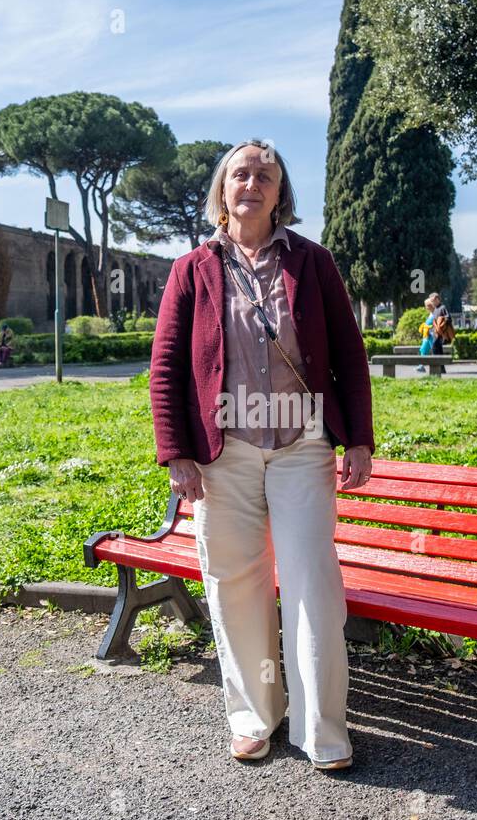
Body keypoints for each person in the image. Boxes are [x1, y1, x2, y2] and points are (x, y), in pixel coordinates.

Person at [150, 139, 374, 770]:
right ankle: (253, 716)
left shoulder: (313, 261)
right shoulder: (192, 269)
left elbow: (350, 357)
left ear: (281, 194)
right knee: (235, 586)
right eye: (239, 174)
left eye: (265, 175)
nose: (251, 183)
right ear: (222, 190)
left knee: (313, 583)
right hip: (224, 451)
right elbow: (165, 366)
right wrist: (176, 453)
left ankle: (321, 729)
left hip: (302, 445)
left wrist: (356, 437)